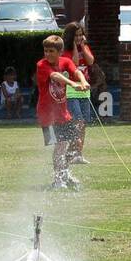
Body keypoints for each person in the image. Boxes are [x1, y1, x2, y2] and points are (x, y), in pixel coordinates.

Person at [36, 34, 89, 191]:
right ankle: (58, 178)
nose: (48, 54)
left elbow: (76, 70)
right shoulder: (42, 65)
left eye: (51, 51)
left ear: (60, 52)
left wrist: (83, 81)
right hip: (48, 116)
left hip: (63, 114)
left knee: (72, 146)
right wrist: (73, 84)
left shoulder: (65, 61)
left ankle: (65, 173)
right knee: (60, 146)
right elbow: (56, 76)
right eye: (46, 51)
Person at [61, 22, 95, 165]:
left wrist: (82, 46)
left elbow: (91, 61)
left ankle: (78, 154)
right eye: (76, 35)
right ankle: (70, 151)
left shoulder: (85, 47)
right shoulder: (65, 50)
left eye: (81, 35)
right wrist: (75, 46)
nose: (79, 37)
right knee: (77, 122)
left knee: (83, 124)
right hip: (71, 91)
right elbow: (73, 64)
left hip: (84, 91)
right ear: (70, 37)